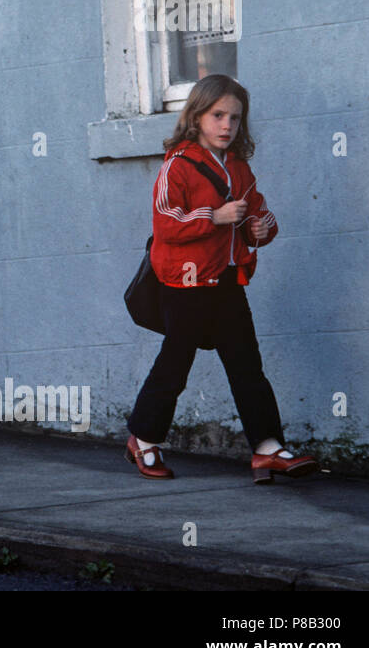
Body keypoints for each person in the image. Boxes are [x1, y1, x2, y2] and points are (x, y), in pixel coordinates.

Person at [125, 74, 318, 483]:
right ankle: (143, 439)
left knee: (247, 365)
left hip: (228, 282)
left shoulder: (239, 168)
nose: (227, 125)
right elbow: (166, 224)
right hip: (186, 284)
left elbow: (256, 214)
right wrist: (213, 217)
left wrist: (261, 228)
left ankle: (267, 448)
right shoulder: (177, 166)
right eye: (217, 115)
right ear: (195, 116)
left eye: (234, 117)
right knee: (175, 366)